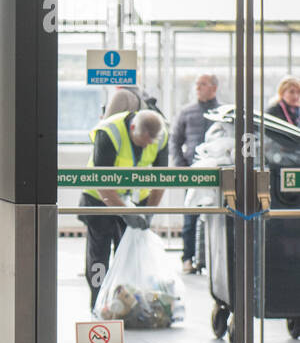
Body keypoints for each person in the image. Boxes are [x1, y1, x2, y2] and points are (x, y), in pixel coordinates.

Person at [79, 108, 169, 309]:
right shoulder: (109, 132)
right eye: (141, 141)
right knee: (99, 255)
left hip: (135, 200)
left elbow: (161, 178)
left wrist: (149, 212)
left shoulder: (161, 137)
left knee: (129, 255)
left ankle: (126, 305)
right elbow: (101, 181)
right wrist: (125, 212)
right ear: (133, 128)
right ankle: (98, 302)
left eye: (149, 143)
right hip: (99, 200)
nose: (146, 146)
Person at [169, 74, 219, 273]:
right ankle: (187, 258)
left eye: (203, 84)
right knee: (190, 218)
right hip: (192, 172)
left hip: (215, 176)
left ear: (214, 88)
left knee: (215, 218)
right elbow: (175, 141)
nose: (198, 87)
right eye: (196, 84)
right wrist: (181, 167)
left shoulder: (221, 112)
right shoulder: (186, 112)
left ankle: (209, 261)